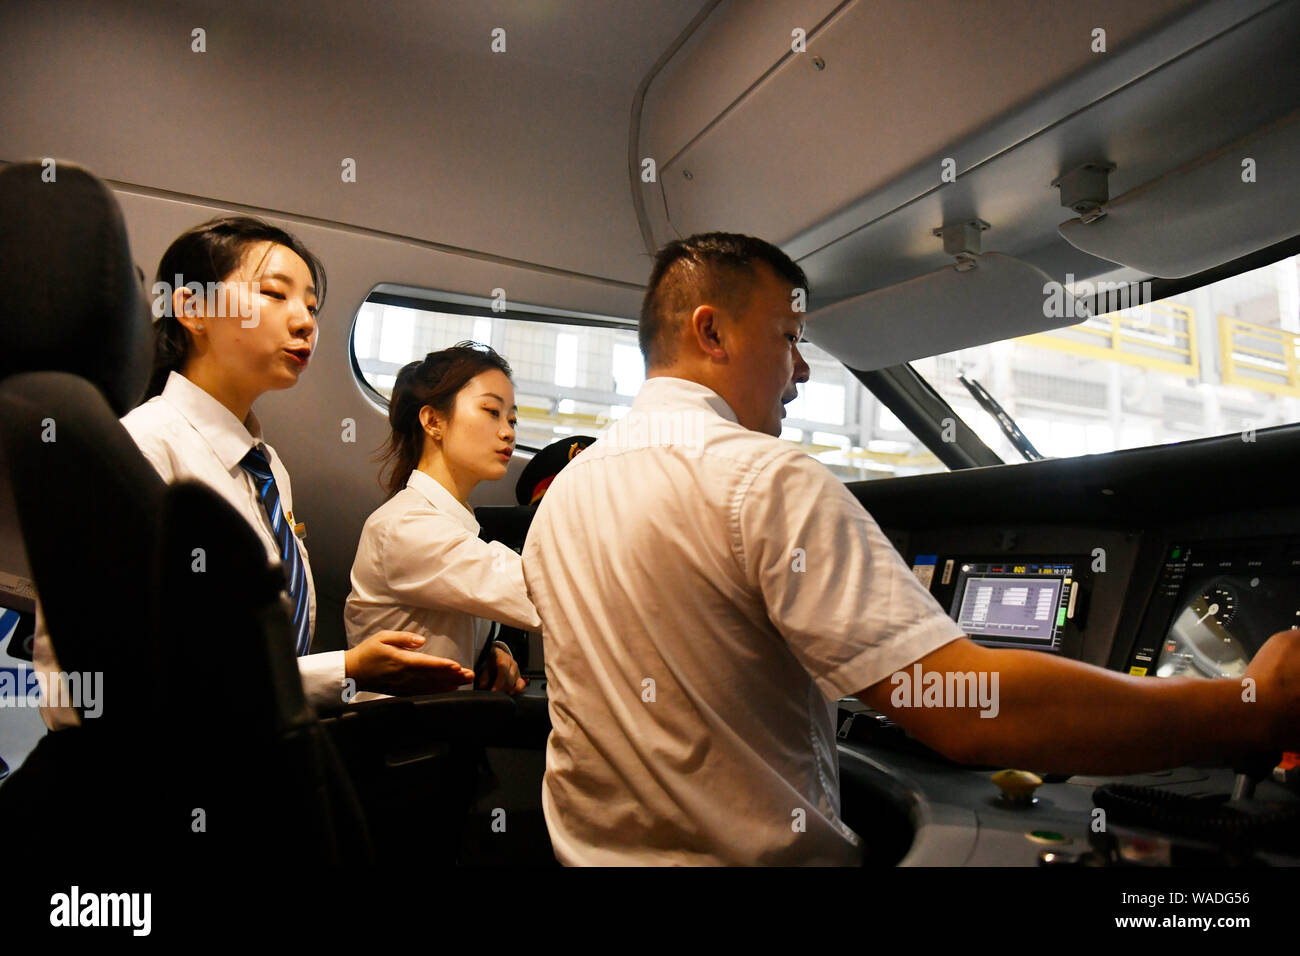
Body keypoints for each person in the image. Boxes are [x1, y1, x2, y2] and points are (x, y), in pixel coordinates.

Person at [521, 231, 1300, 865]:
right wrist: (1246, 708)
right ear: (712, 331)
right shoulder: (760, 478)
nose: (799, 370)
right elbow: (963, 708)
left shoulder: (566, 499)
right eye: (788, 338)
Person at [34, 216, 473, 729]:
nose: (306, 321)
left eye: (311, 306)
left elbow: (232, 657)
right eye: (274, 294)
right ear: (193, 309)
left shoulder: (265, 467)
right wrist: (344, 669)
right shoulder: (141, 453)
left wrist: (350, 675)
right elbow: (80, 685)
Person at [345, 342, 538, 695]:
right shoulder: (407, 527)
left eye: (512, 419)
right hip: (402, 742)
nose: (508, 431)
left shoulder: (450, 523)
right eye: (491, 411)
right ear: (433, 421)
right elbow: (541, 596)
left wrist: (491, 651)